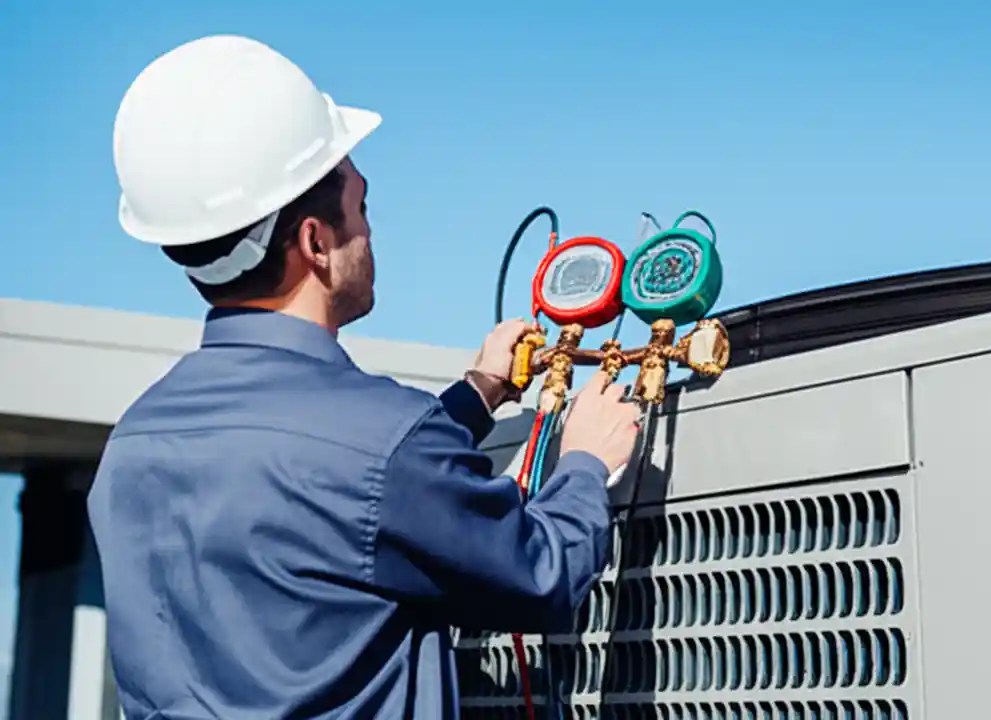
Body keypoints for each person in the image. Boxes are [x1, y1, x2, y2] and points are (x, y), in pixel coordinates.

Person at [88, 34, 640, 719]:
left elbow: (354, 488)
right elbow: (540, 574)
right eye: (363, 207)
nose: (372, 233)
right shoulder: (385, 443)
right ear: (317, 242)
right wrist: (586, 460)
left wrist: (478, 394)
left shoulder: (135, 440)